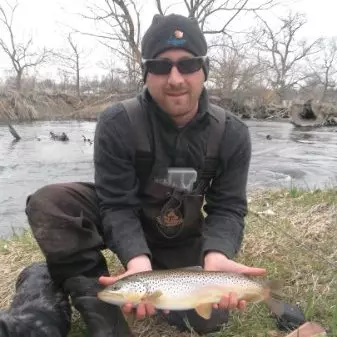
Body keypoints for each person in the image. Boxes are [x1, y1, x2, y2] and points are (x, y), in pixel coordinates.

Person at [6, 13, 266, 337]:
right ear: (146, 72)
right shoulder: (117, 122)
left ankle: (50, 273)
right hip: (126, 219)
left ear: (204, 70)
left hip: (178, 233)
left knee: (207, 319)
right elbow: (116, 204)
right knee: (52, 203)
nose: (175, 78)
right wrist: (137, 262)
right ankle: (105, 321)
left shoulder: (232, 133)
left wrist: (217, 254)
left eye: (187, 64)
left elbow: (227, 207)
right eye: (160, 65)